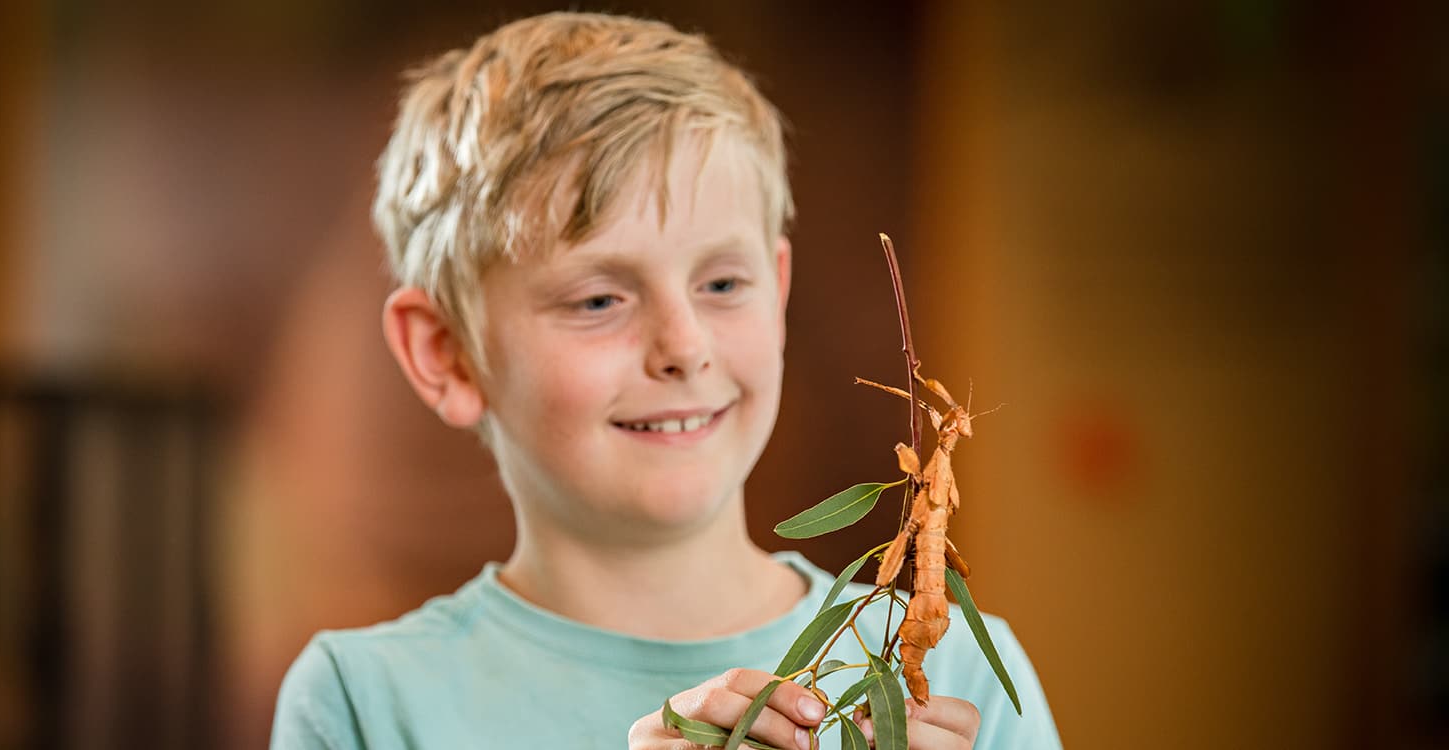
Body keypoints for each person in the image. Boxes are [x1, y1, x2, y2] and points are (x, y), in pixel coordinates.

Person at [270, 11, 1060, 749]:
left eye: (721, 285)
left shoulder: (960, 681)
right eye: (599, 299)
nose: (684, 346)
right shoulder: (360, 702)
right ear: (446, 352)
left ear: (777, 292)